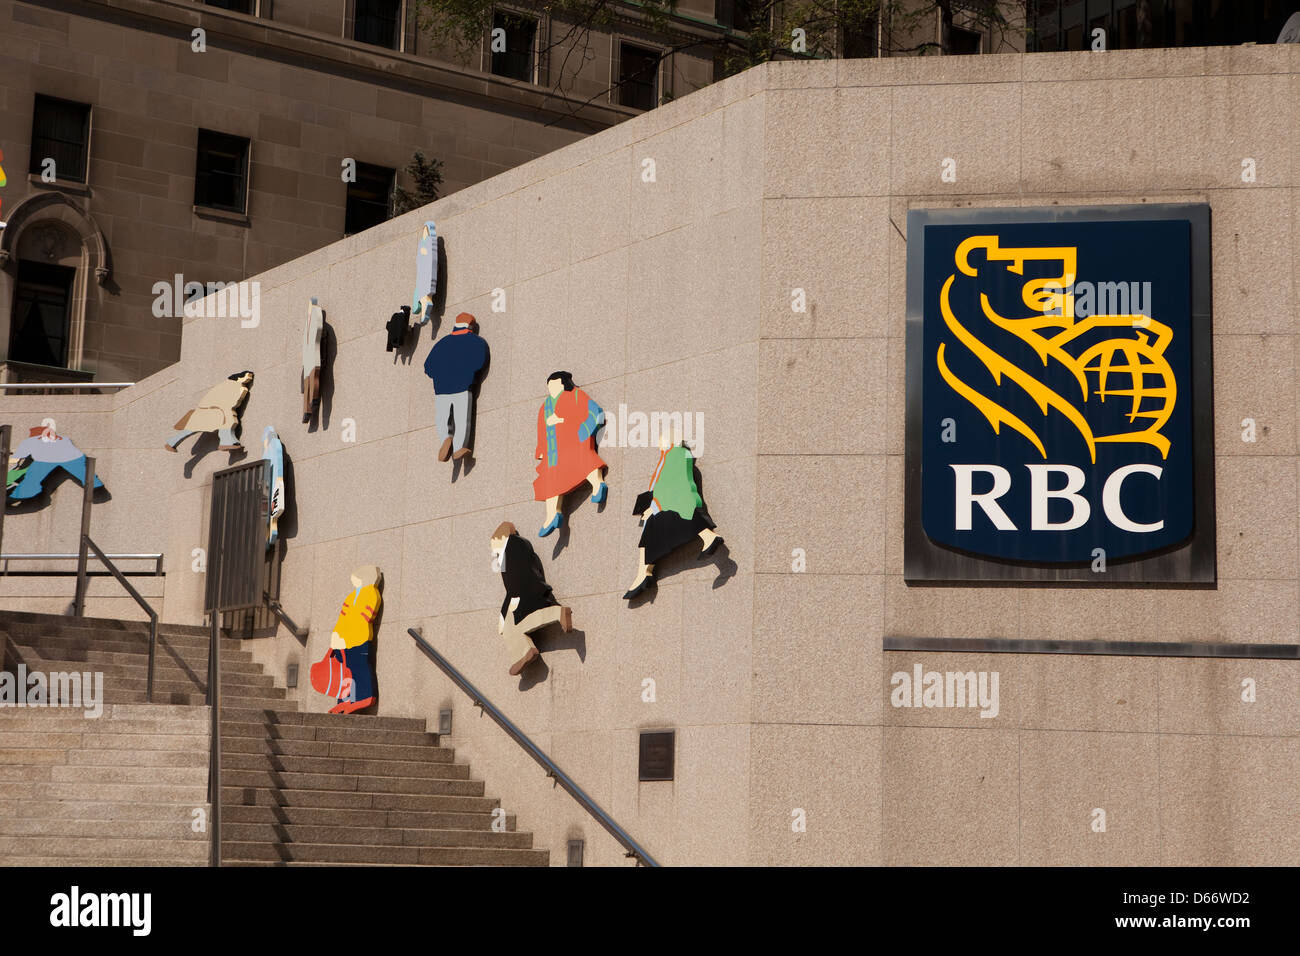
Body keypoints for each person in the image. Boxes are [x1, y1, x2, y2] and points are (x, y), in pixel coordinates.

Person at [624, 430, 723, 600]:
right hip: (670, 506)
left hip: (671, 506)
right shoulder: (671, 456)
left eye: (663, 440)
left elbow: (668, 485)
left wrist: (654, 506)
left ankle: (644, 574)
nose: (660, 444)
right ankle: (708, 538)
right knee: (683, 524)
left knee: (649, 538)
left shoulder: (676, 455)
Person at [490, 522, 573, 675]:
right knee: (520, 624)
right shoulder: (520, 546)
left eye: (493, 544)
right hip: (531, 591)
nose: (493, 551)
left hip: (521, 594)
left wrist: (508, 606)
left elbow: (512, 582)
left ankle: (525, 652)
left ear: (500, 537)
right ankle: (555, 616)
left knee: (510, 626)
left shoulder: (509, 550)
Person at [533, 371, 606, 537]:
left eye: (553, 384)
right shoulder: (545, 406)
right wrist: (541, 451)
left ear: (562, 382)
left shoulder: (576, 395)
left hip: (573, 441)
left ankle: (598, 485)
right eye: (548, 385)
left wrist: (567, 423)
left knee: (585, 462)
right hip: (554, 451)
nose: (550, 388)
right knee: (550, 482)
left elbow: (596, 413)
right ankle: (552, 516)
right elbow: (541, 430)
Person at [423, 313, 488, 462]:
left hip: (441, 389)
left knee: (442, 418)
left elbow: (428, 366)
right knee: (461, 418)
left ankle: (445, 439)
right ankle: (459, 447)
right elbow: (479, 361)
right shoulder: (474, 341)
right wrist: (468, 373)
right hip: (462, 386)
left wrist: (439, 376)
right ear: (470, 325)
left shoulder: (442, 343)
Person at [326, 565, 382, 714]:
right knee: (345, 670)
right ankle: (344, 700)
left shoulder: (371, 593)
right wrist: (336, 635)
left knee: (360, 667)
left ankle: (364, 696)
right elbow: (342, 618)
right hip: (343, 640)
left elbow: (365, 617)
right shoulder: (351, 597)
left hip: (359, 638)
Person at [7, 426, 104, 502]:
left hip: (54, 459)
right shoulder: (63, 441)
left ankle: (21, 494)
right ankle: (96, 486)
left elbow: (17, 459)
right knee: (81, 471)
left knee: (32, 477)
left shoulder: (34, 444)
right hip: (72, 457)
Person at [165, 370, 253, 453]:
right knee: (191, 429)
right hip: (211, 411)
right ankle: (226, 442)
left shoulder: (232, 385)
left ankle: (227, 442)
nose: (248, 379)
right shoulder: (231, 385)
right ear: (239, 377)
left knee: (226, 422)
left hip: (215, 410)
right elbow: (229, 401)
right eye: (247, 377)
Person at [302, 297, 323, 423]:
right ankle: (306, 410)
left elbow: (317, 331)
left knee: (312, 382)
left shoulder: (315, 317)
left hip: (313, 358)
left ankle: (311, 402)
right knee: (307, 385)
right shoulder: (306, 329)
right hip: (308, 360)